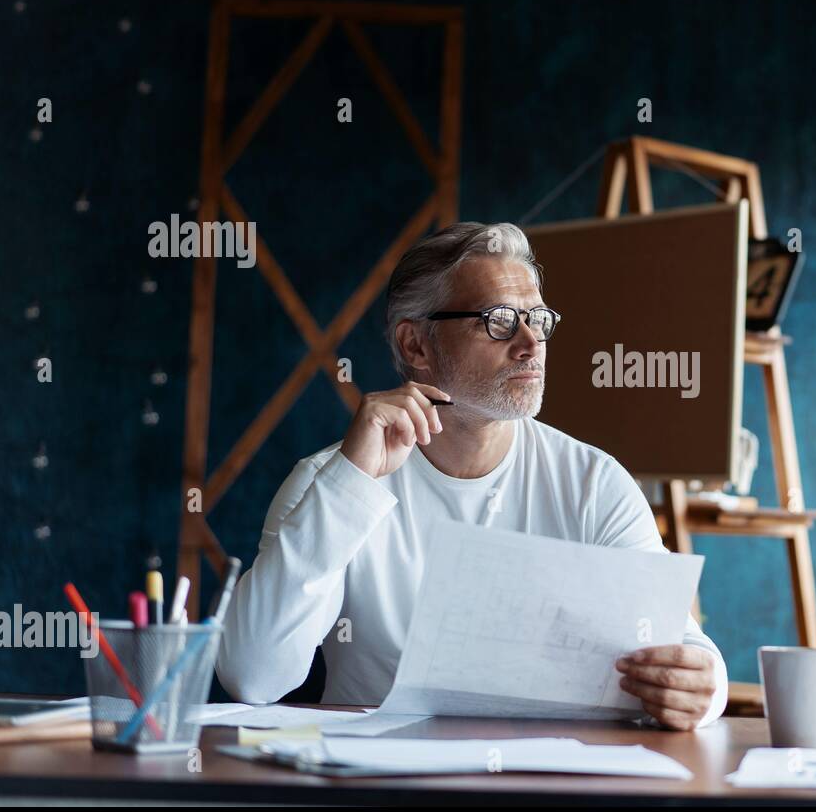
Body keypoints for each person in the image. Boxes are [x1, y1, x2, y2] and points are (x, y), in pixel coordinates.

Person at [215, 222, 729, 730]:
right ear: (416, 345)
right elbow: (254, 676)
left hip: (550, 788)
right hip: (383, 789)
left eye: (539, 320)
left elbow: (683, 648)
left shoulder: (594, 484)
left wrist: (705, 689)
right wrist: (350, 484)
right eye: (500, 320)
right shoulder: (329, 483)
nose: (530, 343)